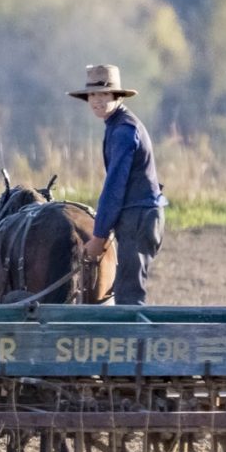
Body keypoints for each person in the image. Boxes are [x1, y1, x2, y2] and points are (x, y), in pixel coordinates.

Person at [71, 64, 165, 305]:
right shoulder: (116, 125)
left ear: (116, 96)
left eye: (103, 94)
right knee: (125, 290)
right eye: (92, 95)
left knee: (129, 296)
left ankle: (136, 343)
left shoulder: (124, 130)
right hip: (137, 215)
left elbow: (114, 187)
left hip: (138, 217)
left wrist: (99, 236)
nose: (96, 101)